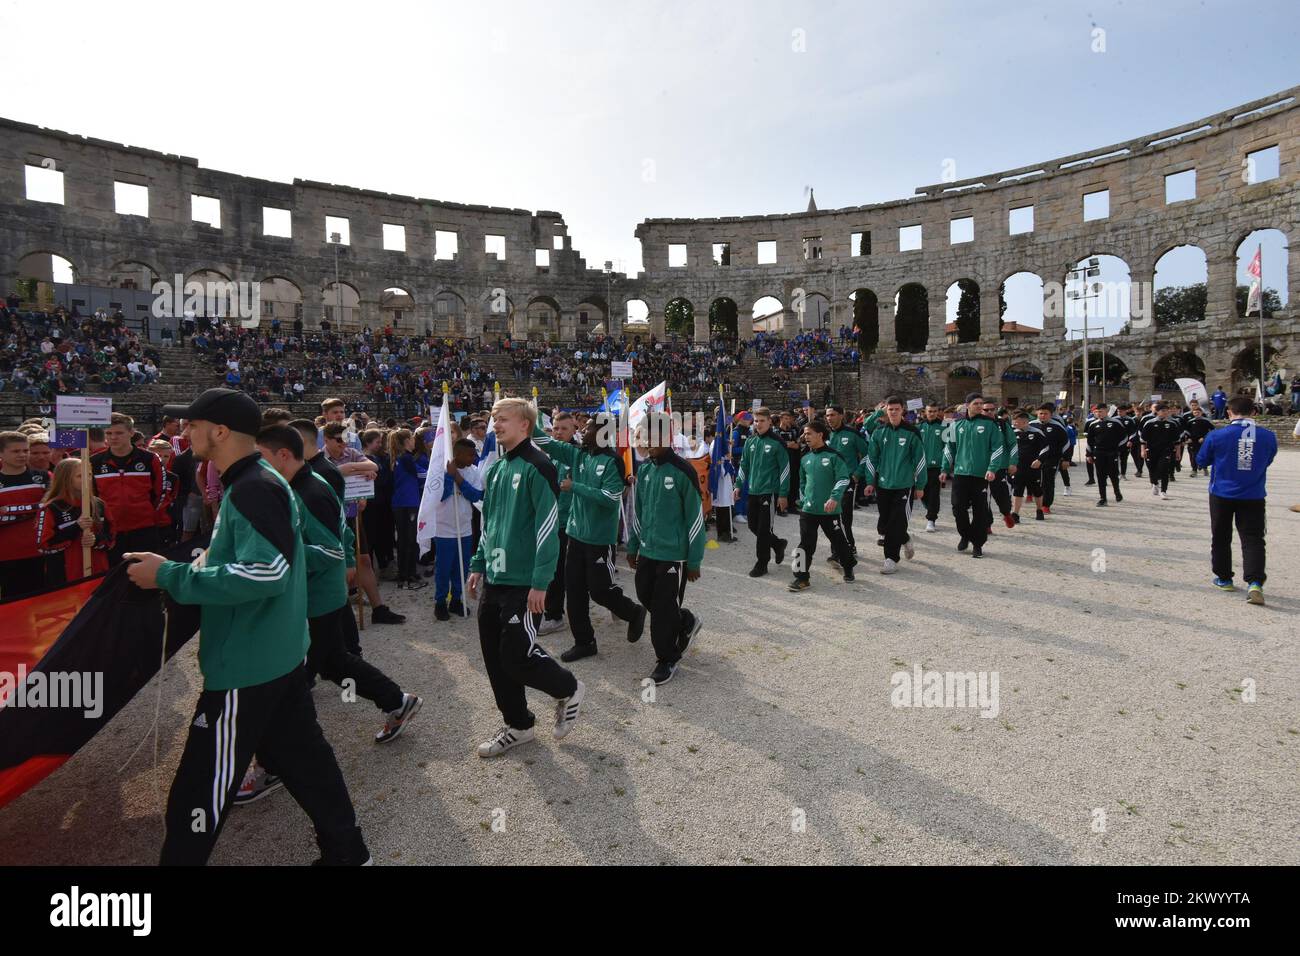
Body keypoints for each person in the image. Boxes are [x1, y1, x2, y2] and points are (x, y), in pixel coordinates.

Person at [123, 388, 370, 866]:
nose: (184, 432)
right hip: (272, 657)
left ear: (218, 431)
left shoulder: (255, 485)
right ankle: (349, 854)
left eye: (191, 424)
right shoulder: (257, 481)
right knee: (308, 766)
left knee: (197, 792)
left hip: (248, 666)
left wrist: (170, 575)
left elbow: (267, 573)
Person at [256, 424, 422, 745]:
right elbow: (341, 535)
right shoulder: (304, 483)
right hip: (317, 593)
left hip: (319, 593)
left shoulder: (310, 489)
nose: (258, 465)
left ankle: (285, 747)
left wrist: (279, 552)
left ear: (285, 454)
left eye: (262, 457)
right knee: (329, 662)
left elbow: (332, 545)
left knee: (317, 663)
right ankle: (396, 701)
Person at [467, 397, 584, 757]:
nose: (495, 424)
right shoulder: (498, 469)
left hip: (524, 582)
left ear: (524, 425)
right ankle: (518, 726)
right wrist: (477, 563)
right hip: (495, 578)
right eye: (492, 419)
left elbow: (548, 528)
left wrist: (540, 581)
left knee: (516, 655)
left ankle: (568, 688)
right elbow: (491, 522)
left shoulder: (540, 465)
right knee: (494, 656)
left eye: (502, 419)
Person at [533, 413, 646, 662]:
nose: (584, 431)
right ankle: (584, 642)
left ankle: (633, 611)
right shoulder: (578, 454)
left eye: (591, 428)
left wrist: (575, 487)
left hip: (599, 540)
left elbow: (610, 498)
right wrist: (527, 421)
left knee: (600, 591)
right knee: (574, 593)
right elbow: (546, 442)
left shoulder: (613, 462)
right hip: (575, 536)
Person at [626, 412, 705, 685]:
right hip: (648, 550)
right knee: (645, 595)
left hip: (674, 555)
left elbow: (695, 519)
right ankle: (685, 620)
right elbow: (640, 511)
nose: (648, 440)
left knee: (661, 609)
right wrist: (634, 544)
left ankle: (667, 658)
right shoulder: (645, 470)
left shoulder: (684, 471)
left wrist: (694, 559)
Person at [1196, 395, 1278, 605]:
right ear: (1254, 412)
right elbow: (1268, 460)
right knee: (1253, 539)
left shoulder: (1217, 435)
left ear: (1229, 412)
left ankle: (1224, 578)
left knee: (1221, 535)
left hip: (1222, 492)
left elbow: (1201, 460)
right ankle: (1255, 582)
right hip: (1253, 494)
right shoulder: (1268, 436)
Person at [860, 397, 926, 573]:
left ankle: (890, 558)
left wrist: (920, 485)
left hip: (904, 485)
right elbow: (872, 459)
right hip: (883, 485)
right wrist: (869, 482)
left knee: (896, 523)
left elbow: (920, 460)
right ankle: (905, 538)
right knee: (884, 525)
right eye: (890, 409)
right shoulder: (879, 432)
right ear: (886, 411)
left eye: (897, 409)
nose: (894, 412)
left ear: (903, 410)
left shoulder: (912, 432)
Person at [787, 420, 855, 591]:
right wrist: (803, 501)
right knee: (805, 544)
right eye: (804, 433)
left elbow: (843, 478)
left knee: (839, 542)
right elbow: (803, 483)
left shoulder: (834, 456)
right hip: (809, 509)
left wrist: (834, 498)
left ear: (820, 435)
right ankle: (801, 578)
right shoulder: (805, 458)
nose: (805, 437)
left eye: (809, 433)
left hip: (829, 509)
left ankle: (848, 566)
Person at [91, 412, 164, 564]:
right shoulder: (95, 462)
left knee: (144, 577)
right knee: (114, 576)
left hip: (144, 528)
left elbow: (160, 492)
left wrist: (148, 513)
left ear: (131, 433)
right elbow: (92, 496)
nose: (113, 437)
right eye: (109, 433)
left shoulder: (149, 459)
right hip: (111, 530)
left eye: (119, 433)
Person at [940, 394, 1003, 559]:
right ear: (967, 405)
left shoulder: (990, 425)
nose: (980, 406)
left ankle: (977, 544)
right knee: (957, 507)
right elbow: (949, 448)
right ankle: (965, 534)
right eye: (976, 403)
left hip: (981, 475)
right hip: (960, 473)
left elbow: (997, 448)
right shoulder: (956, 424)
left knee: (979, 511)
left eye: (981, 404)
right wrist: (944, 469)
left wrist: (992, 468)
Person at [37, 457, 113, 581]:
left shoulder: (98, 504)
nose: (86, 479)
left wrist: (96, 540)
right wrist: (76, 527)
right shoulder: (52, 508)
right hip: (66, 573)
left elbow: (111, 535)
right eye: (80, 476)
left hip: (97, 569)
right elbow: (44, 545)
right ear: (65, 479)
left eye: (89, 474)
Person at [733, 407, 788, 578]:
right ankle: (778, 543)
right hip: (753, 491)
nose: (758, 424)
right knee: (752, 526)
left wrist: (783, 494)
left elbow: (785, 470)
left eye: (762, 421)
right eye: (756, 421)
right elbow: (744, 465)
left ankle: (762, 563)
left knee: (763, 530)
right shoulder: (750, 441)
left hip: (769, 492)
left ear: (770, 421)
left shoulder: (777, 442)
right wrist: (738, 485)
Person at [432, 438, 483, 620]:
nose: (474, 457)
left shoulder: (474, 471)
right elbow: (441, 495)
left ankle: (456, 599)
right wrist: (448, 475)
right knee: (444, 568)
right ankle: (440, 602)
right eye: (470, 454)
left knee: (461, 567)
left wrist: (458, 477)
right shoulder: (440, 470)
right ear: (458, 454)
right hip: (444, 528)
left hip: (464, 527)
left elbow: (476, 495)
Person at [538, 412, 578, 635]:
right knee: (555, 568)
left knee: (569, 571)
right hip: (553, 520)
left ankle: (554, 615)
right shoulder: (550, 455)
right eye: (556, 428)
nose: (559, 433)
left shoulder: (578, 455)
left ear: (574, 429)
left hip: (571, 522)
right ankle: (553, 612)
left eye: (564, 428)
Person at [0, 431, 52, 597]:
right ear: (1, 453)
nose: (22, 455)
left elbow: (52, 509)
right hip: (7, 554)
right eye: (16, 451)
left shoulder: (44, 477)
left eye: (25, 450)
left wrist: (12, 512)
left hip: (42, 551)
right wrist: (35, 509)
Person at [824, 405, 869, 553]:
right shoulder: (824, 435)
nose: (829, 418)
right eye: (828, 415)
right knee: (830, 515)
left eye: (833, 415)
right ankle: (836, 548)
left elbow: (867, 455)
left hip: (847, 480)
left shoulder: (852, 434)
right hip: (829, 481)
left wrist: (857, 474)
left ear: (841, 415)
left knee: (844, 516)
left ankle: (849, 545)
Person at [388, 428, 425, 589]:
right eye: (411, 437)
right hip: (408, 503)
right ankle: (407, 574)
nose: (414, 440)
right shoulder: (406, 458)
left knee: (405, 539)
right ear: (406, 442)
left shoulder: (401, 457)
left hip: (402, 502)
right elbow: (422, 475)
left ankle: (407, 572)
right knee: (409, 539)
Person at [1083, 405, 1128, 506]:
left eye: (1101, 411)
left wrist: (1118, 449)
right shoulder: (1093, 424)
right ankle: (1103, 498)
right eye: (1097, 412)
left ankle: (1117, 491)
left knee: (1113, 474)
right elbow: (1090, 441)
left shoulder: (1115, 423)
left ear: (1107, 411)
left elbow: (1124, 437)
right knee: (1100, 476)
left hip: (1112, 453)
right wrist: (1088, 454)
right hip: (1098, 453)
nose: (1099, 413)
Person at [1010, 409, 1048, 521]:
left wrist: (1039, 460)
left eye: (1016, 421)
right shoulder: (1012, 433)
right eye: (1014, 421)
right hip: (1018, 467)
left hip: (1033, 466)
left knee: (1036, 489)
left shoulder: (1037, 432)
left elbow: (1045, 448)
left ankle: (1039, 510)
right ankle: (1015, 514)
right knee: (1017, 490)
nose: (1014, 423)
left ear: (1025, 422)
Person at [1139, 403, 1183, 499]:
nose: (1166, 413)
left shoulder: (1172, 424)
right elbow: (1143, 440)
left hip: (1166, 450)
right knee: (1152, 469)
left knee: (1163, 469)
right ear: (1157, 412)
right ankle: (1154, 483)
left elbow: (1177, 441)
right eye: (1163, 411)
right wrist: (1143, 451)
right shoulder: (1149, 423)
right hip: (1151, 450)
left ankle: (1163, 491)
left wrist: (1178, 452)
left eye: (1167, 411)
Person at [917, 404, 946, 533]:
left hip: (936, 466)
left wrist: (946, 466)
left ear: (938, 412)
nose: (932, 413)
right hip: (921, 466)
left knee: (934, 494)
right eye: (930, 411)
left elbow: (949, 447)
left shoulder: (945, 426)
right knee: (923, 493)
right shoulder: (919, 427)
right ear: (925, 412)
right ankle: (930, 508)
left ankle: (931, 519)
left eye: (935, 411)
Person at [1182, 403, 1216, 477]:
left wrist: (1204, 438)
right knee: (1193, 455)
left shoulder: (1206, 421)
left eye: (1198, 412)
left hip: (1203, 441)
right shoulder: (1190, 421)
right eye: (1195, 412)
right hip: (1193, 441)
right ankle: (1194, 470)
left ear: (1201, 413)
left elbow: (1212, 430)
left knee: (1204, 455)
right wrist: (1188, 438)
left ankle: (1204, 468)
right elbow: (1186, 431)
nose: (1196, 414)